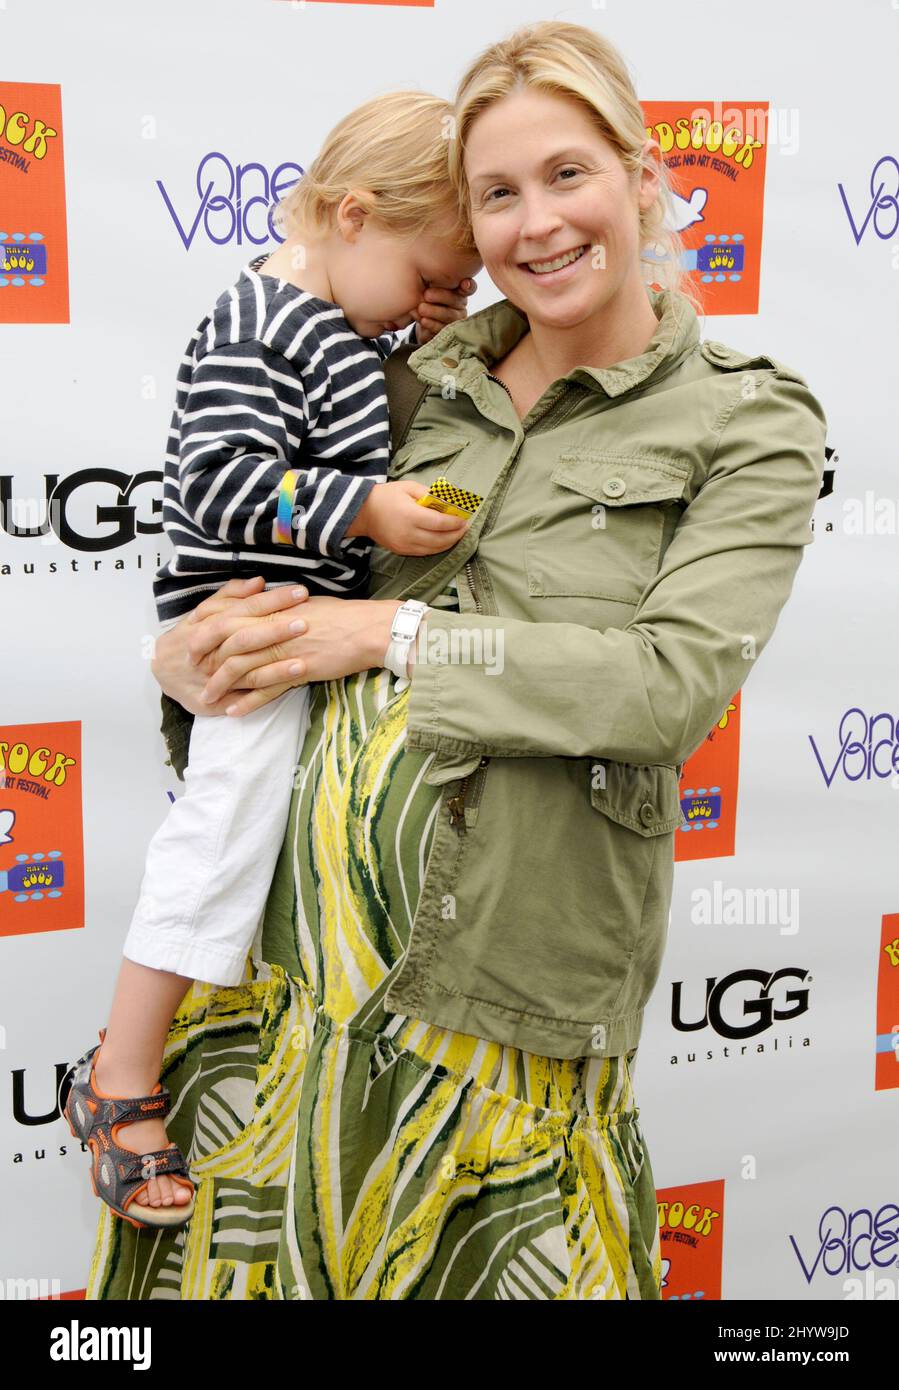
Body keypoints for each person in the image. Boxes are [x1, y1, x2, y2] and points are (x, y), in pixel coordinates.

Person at [84, 20, 827, 1298]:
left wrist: (390, 629)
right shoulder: (409, 378)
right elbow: (259, 532)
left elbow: (662, 689)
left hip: (503, 1027)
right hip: (286, 999)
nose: (534, 223)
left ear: (643, 177)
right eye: (496, 193)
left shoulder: (746, 420)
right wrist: (185, 658)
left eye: (566, 174)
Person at [63, 90, 480, 1229]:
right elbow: (219, 481)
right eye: (430, 282)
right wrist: (370, 509)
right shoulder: (259, 322)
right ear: (354, 216)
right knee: (222, 827)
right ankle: (117, 1076)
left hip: (313, 621)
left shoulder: (344, 327)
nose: (436, 309)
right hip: (244, 622)